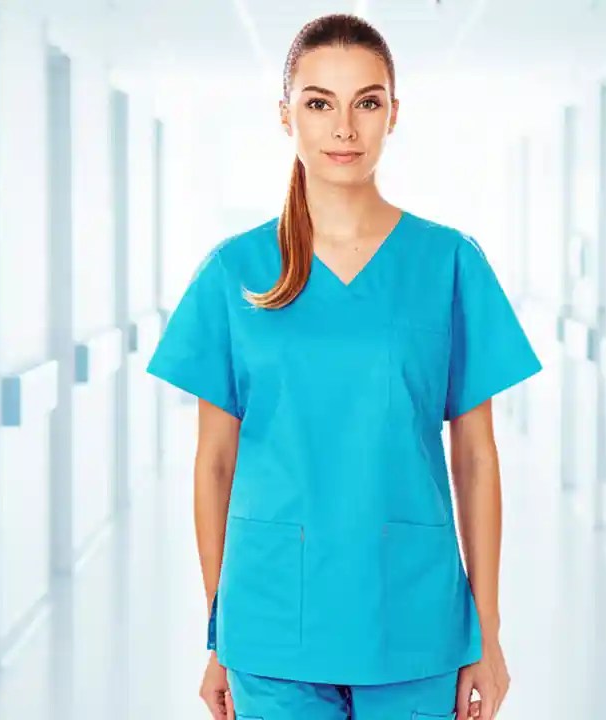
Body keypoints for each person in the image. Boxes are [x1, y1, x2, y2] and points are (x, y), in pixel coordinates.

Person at [146, 13, 541, 720]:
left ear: (394, 114)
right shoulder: (235, 271)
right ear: (285, 114)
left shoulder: (448, 263)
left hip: (414, 622)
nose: (344, 129)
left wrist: (488, 632)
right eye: (319, 103)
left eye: (367, 102)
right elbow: (213, 466)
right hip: (271, 626)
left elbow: (476, 459)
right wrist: (219, 633)